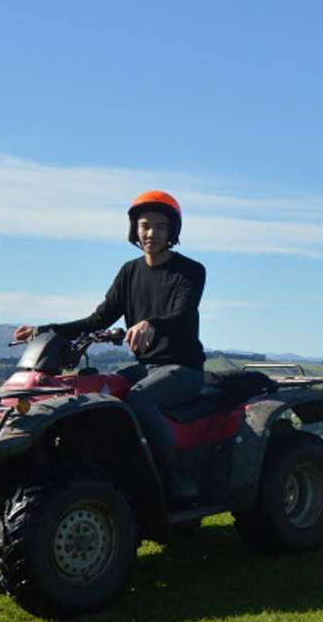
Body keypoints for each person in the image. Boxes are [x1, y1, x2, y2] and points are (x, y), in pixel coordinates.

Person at [14, 190, 206, 502]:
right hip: (146, 367)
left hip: (182, 368)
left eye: (160, 226)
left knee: (138, 398)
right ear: (135, 229)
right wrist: (45, 329)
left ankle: (173, 473)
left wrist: (151, 323)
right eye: (145, 226)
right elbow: (98, 318)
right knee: (95, 390)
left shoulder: (191, 271)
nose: (151, 233)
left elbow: (182, 314)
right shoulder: (129, 271)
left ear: (172, 231)